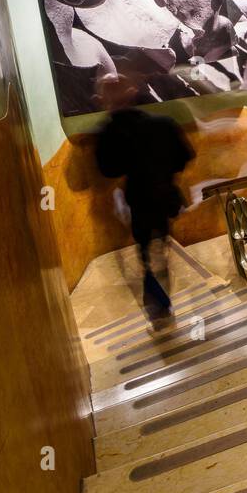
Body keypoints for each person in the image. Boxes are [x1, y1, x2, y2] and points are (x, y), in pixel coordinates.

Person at [93, 73, 195, 315]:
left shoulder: (108, 133)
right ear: (132, 94)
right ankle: (160, 285)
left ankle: (156, 296)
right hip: (166, 194)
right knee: (162, 240)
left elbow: (108, 170)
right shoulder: (163, 123)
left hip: (138, 198)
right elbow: (185, 157)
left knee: (146, 247)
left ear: (103, 100)